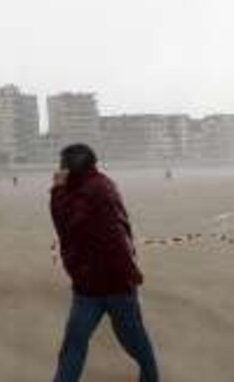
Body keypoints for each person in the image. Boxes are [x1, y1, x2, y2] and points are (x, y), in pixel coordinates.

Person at [51, 144, 159, 382]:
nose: (59, 170)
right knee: (75, 341)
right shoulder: (99, 184)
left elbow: (67, 224)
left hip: (113, 283)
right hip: (91, 283)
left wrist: (58, 190)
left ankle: (151, 377)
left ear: (72, 168)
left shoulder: (92, 191)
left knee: (132, 339)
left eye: (62, 165)